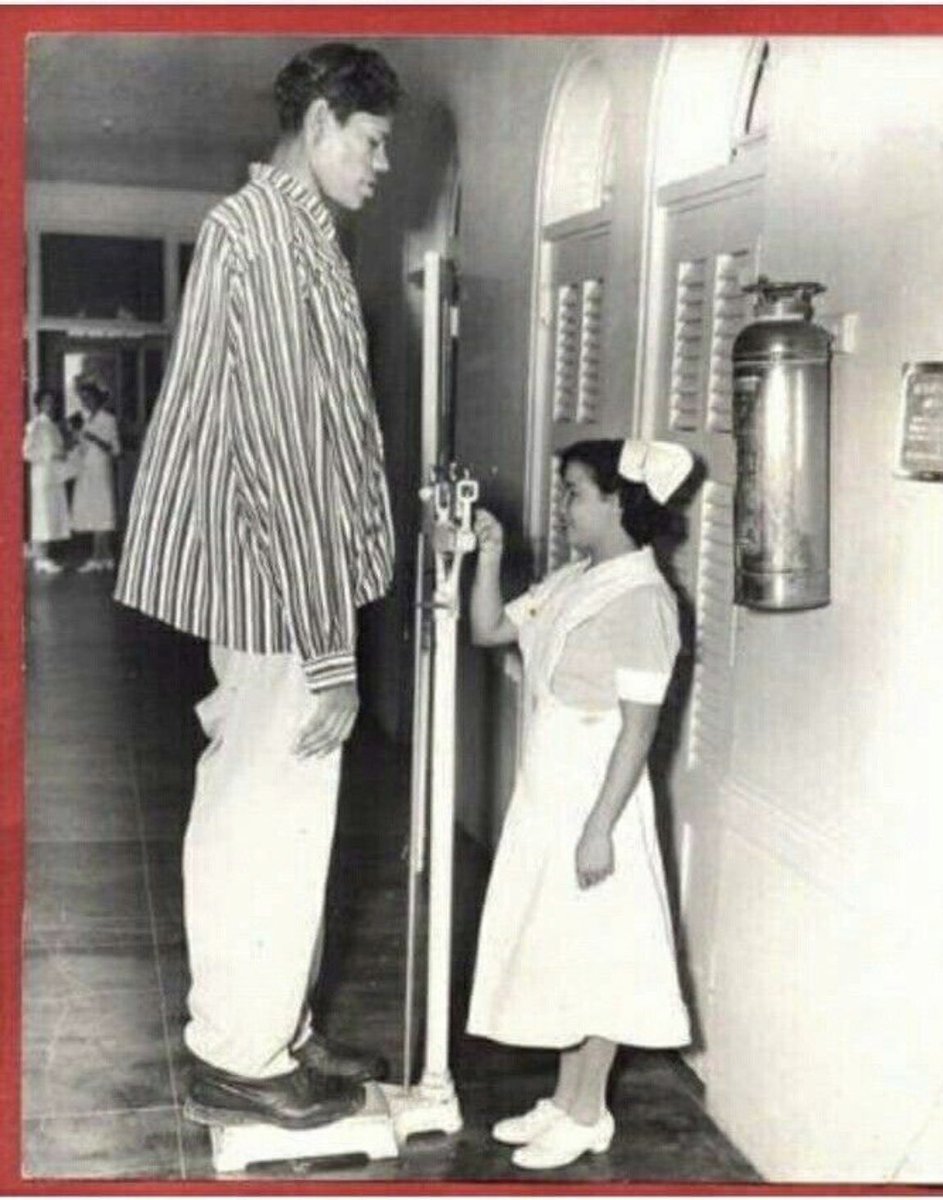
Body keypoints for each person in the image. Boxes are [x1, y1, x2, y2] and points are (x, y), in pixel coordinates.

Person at [114, 42, 401, 1130]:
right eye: (370, 141)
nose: (379, 165)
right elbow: (287, 453)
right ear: (321, 121)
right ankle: (239, 1052)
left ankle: (275, 1027)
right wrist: (332, 650)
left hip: (287, 582)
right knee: (260, 819)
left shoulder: (301, 235)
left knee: (285, 818)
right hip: (278, 590)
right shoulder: (265, 236)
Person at [467, 438, 695, 1170]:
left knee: (600, 955)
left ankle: (590, 1111)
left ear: (616, 503)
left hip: (601, 796)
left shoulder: (645, 600)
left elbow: (639, 729)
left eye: (573, 492)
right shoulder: (579, 578)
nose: (563, 505)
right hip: (551, 788)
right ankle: (566, 1101)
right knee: (562, 946)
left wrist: (599, 829)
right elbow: (488, 630)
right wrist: (488, 554)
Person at [70, 378, 120, 573]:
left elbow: (115, 449)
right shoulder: (83, 419)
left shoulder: (108, 419)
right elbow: (81, 446)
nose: (85, 402)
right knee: (91, 511)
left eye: (88, 398)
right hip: (85, 470)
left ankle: (101, 556)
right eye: (82, 398)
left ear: (97, 398)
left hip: (100, 470)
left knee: (102, 510)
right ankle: (102, 556)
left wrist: (95, 438)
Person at [22, 387, 71, 574]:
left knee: (51, 515)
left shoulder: (53, 426)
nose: (50, 406)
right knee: (41, 516)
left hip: (54, 475)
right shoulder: (35, 425)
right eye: (46, 402)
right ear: (39, 405)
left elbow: (58, 449)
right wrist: (48, 455)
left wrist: (62, 453)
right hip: (42, 476)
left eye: (53, 402)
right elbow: (26, 452)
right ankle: (40, 558)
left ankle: (44, 556)